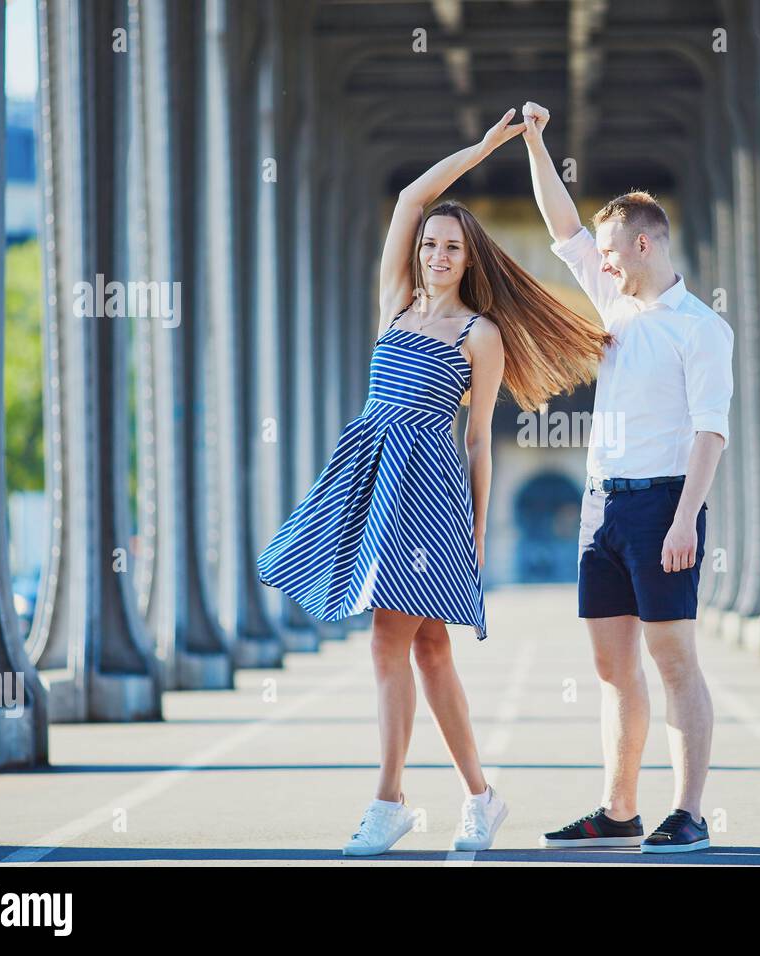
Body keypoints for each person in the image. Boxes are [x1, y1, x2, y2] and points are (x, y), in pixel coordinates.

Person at [257, 109, 612, 857]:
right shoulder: (395, 302)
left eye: (451, 247)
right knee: (428, 653)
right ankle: (480, 797)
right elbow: (410, 199)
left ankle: (391, 800)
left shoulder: (478, 334)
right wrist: (481, 151)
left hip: (428, 497)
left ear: (468, 257)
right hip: (370, 478)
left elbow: (479, 439)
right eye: (430, 246)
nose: (437, 254)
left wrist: (479, 532)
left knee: (393, 640)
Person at [520, 101, 735, 853]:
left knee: (674, 659)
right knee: (612, 668)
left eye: (612, 252)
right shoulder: (614, 298)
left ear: (645, 244)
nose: (600, 262)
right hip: (602, 510)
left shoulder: (702, 329)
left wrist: (684, 521)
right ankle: (618, 810)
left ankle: (691, 813)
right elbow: (562, 229)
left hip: (665, 508)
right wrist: (537, 143)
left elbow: (711, 432)